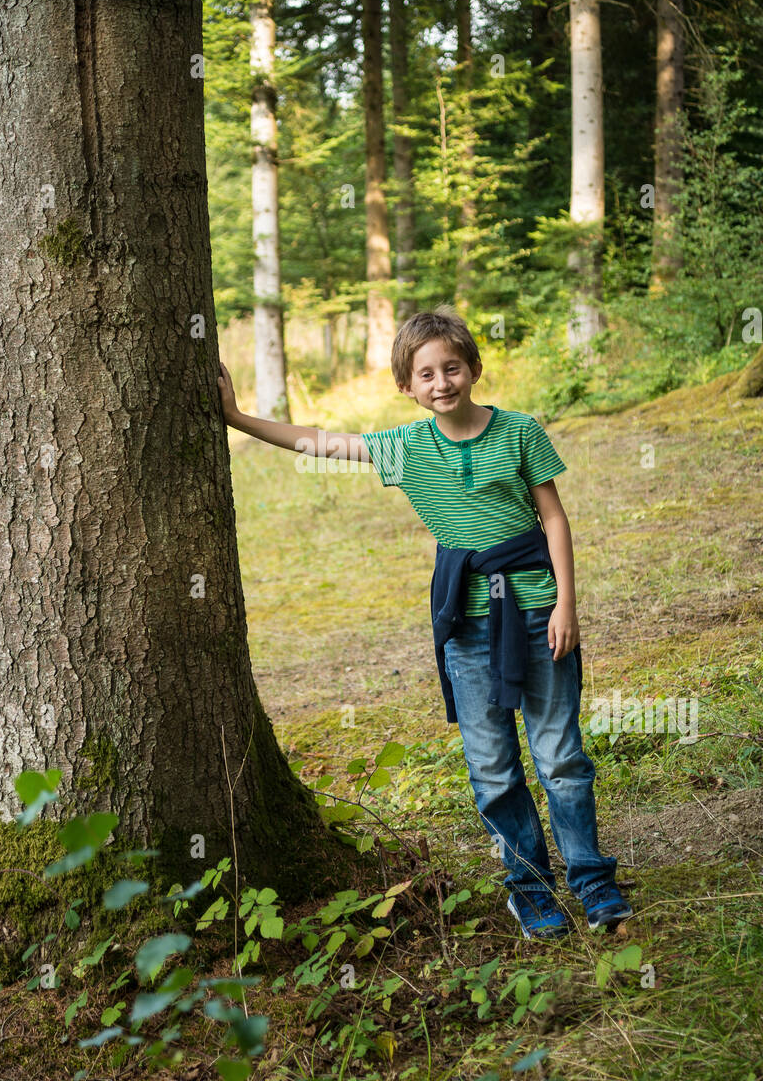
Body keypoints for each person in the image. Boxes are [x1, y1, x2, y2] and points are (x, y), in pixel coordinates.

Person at [217, 304, 631, 939]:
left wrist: (567, 604)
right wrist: (238, 418)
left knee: (561, 757)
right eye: (427, 374)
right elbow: (323, 441)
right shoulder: (405, 448)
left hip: (538, 614)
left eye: (453, 368)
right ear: (406, 387)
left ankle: (593, 882)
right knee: (492, 767)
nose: (442, 383)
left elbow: (553, 518)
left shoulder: (521, 432)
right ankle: (531, 888)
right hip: (467, 628)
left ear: (473, 368)